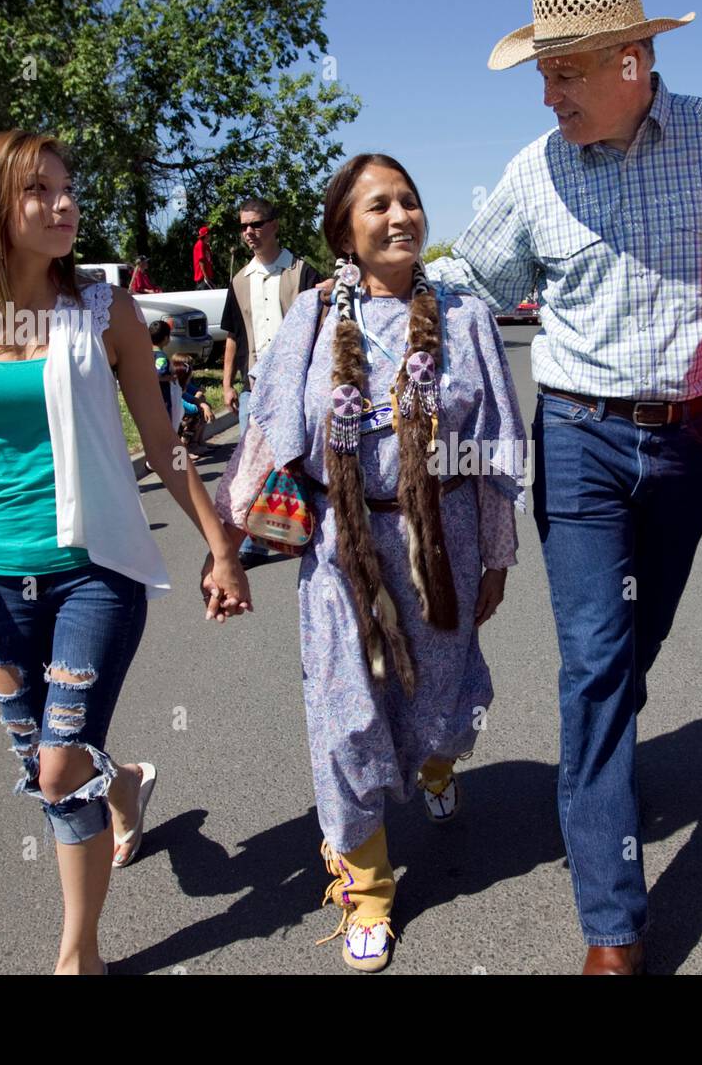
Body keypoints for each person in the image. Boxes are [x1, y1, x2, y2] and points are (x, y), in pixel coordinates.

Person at [420, 0, 702, 973]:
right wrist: (377, 289)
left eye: (563, 74)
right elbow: (470, 279)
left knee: (631, 650)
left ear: (632, 62)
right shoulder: (534, 172)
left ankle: (602, 769)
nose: (548, 95)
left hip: (689, 442)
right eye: (542, 75)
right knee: (593, 665)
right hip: (581, 439)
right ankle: (613, 927)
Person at [0, 129, 250, 975]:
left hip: (93, 574)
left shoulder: (103, 310)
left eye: (67, 187)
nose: (63, 204)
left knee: (55, 770)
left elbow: (164, 447)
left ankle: (77, 952)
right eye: (38, 190)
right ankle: (124, 785)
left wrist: (220, 547)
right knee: (56, 761)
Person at [214, 153, 527, 972]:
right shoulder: (312, 319)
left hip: (443, 546)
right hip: (340, 554)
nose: (399, 217)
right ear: (344, 232)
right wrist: (230, 548)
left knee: (441, 715)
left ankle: (432, 766)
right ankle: (368, 889)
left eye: (409, 201)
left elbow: (494, 448)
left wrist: (494, 555)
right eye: (378, 205)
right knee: (349, 721)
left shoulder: (464, 318)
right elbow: (271, 428)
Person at [221, 197, 319, 565]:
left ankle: (307, 529)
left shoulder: (302, 273)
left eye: (256, 224)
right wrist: (228, 383)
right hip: (255, 386)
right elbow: (233, 334)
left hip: (299, 385)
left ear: (275, 225)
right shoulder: (240, 280)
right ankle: (251, 542)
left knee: (300, 459)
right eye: (244, 226)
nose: (249, 232)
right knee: (252, 464)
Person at [171, 352, 212, 457]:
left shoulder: (180, 387)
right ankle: (185, 450)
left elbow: (193, 398)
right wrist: (200, 403)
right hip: (171, 421)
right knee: (195, 415)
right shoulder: (175, 391)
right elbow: (191, 408)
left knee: (201, 408)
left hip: (176, 418)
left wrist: (204, 405)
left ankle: (196, 443)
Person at [192, 225, 215, 289]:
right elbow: (201, 261)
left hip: (208, 277)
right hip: (203, 278)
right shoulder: (200, 244)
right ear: (206, 235)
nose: (211, 236)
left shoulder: (206, 246)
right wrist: (205, 276)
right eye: (209, 234)